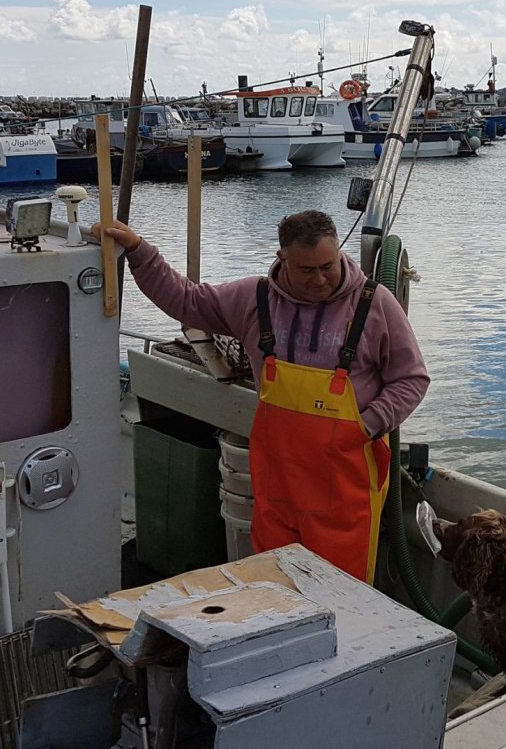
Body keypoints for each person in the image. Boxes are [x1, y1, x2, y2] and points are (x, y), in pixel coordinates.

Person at [105, 211, 429, 583]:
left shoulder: (376, 305)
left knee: (345, 590)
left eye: (329, 266)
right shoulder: (255, 299)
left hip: (345, 487)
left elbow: (411, 379)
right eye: (307, 271)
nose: (321, 279)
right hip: (278, 484)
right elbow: (185, 301)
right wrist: (139, 251)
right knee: (276, 582)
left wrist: (366, 425)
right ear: (282, 260)